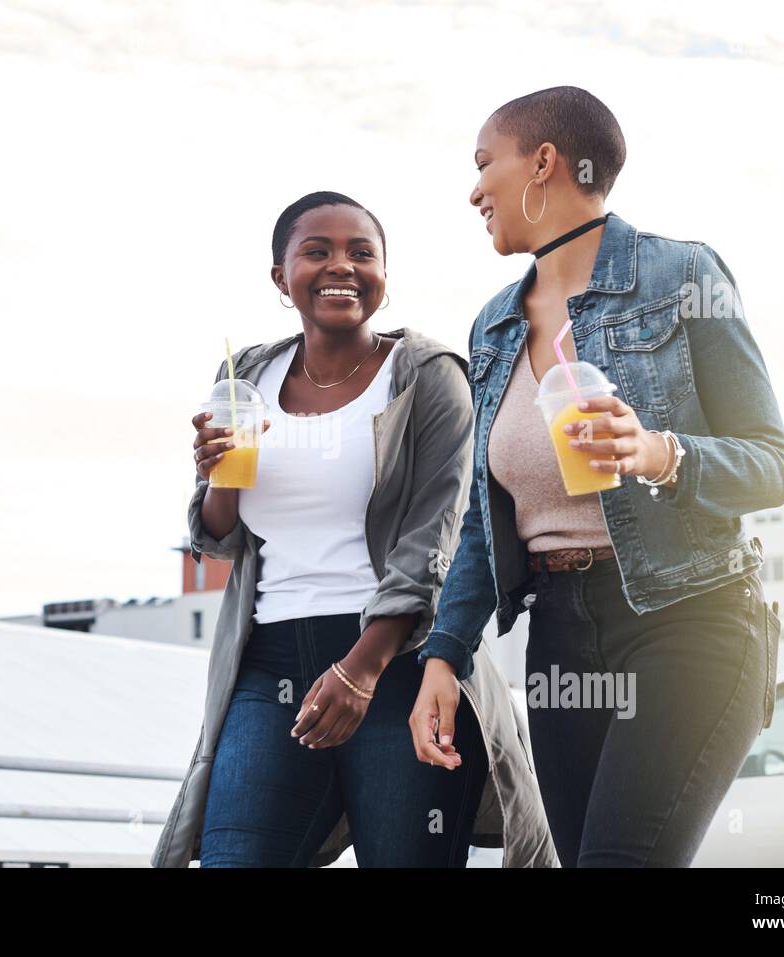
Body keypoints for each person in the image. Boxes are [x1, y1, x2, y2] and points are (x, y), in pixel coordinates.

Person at [411, 87, 784, 867]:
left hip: (690, 617)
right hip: (559, 634)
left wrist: (658, 452)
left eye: (485, 164)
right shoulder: (493, 325)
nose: (474, 189)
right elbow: (491, 524)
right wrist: (443, 656)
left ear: (545, 163)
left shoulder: (683, 273)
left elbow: (772, 464)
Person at [151, 191, 557, 868]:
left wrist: (360, 668)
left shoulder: (428, 379)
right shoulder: (246, 375)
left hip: (400, 662)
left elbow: (435, 544)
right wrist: (219, 474)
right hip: (269, 662)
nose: (341, 265)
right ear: (282, 277)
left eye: (361, 252)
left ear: (384, 277)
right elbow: (220, 536)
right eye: (317, 251)